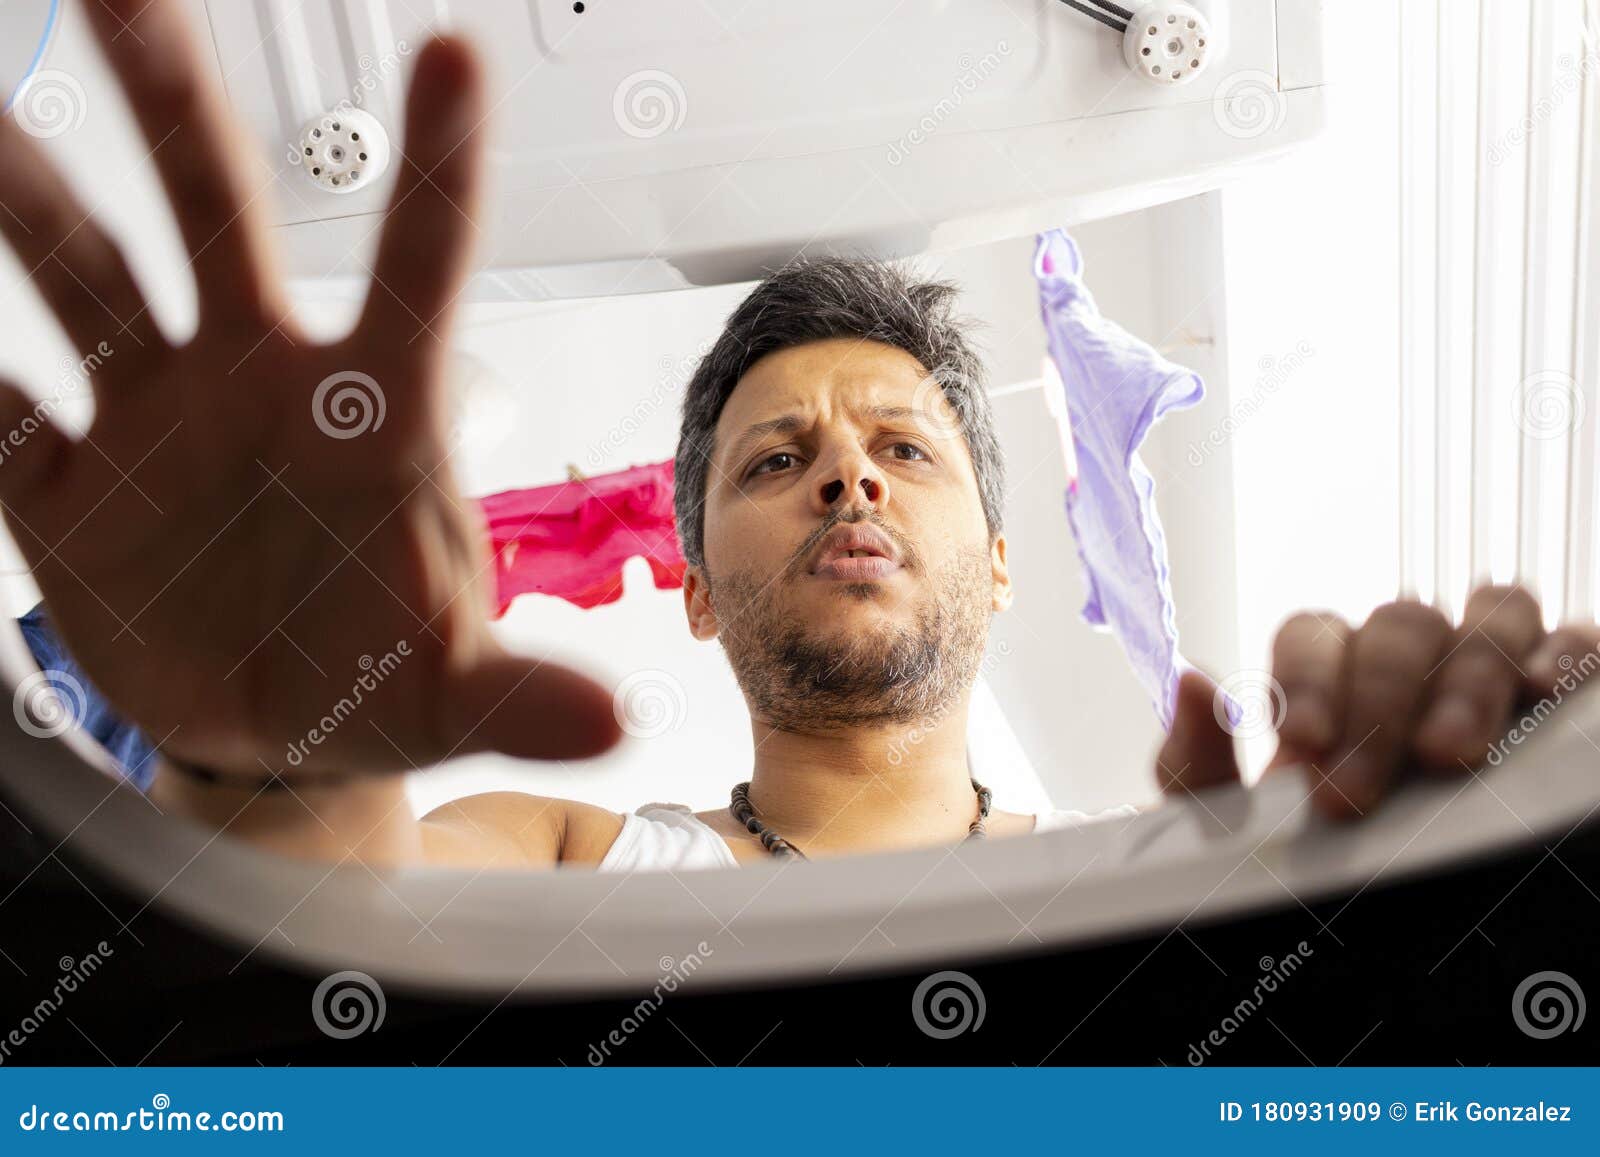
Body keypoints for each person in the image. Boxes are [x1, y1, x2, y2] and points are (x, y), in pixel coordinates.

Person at [1, 0, 1595, 872]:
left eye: (906, 448)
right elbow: (331, 1013)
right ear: (691, 587)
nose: (847, 471)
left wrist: (1510, 848)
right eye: (777, 460)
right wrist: (276, 755)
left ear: (1004, 563)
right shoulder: (561, 858)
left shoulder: (1150, 870)